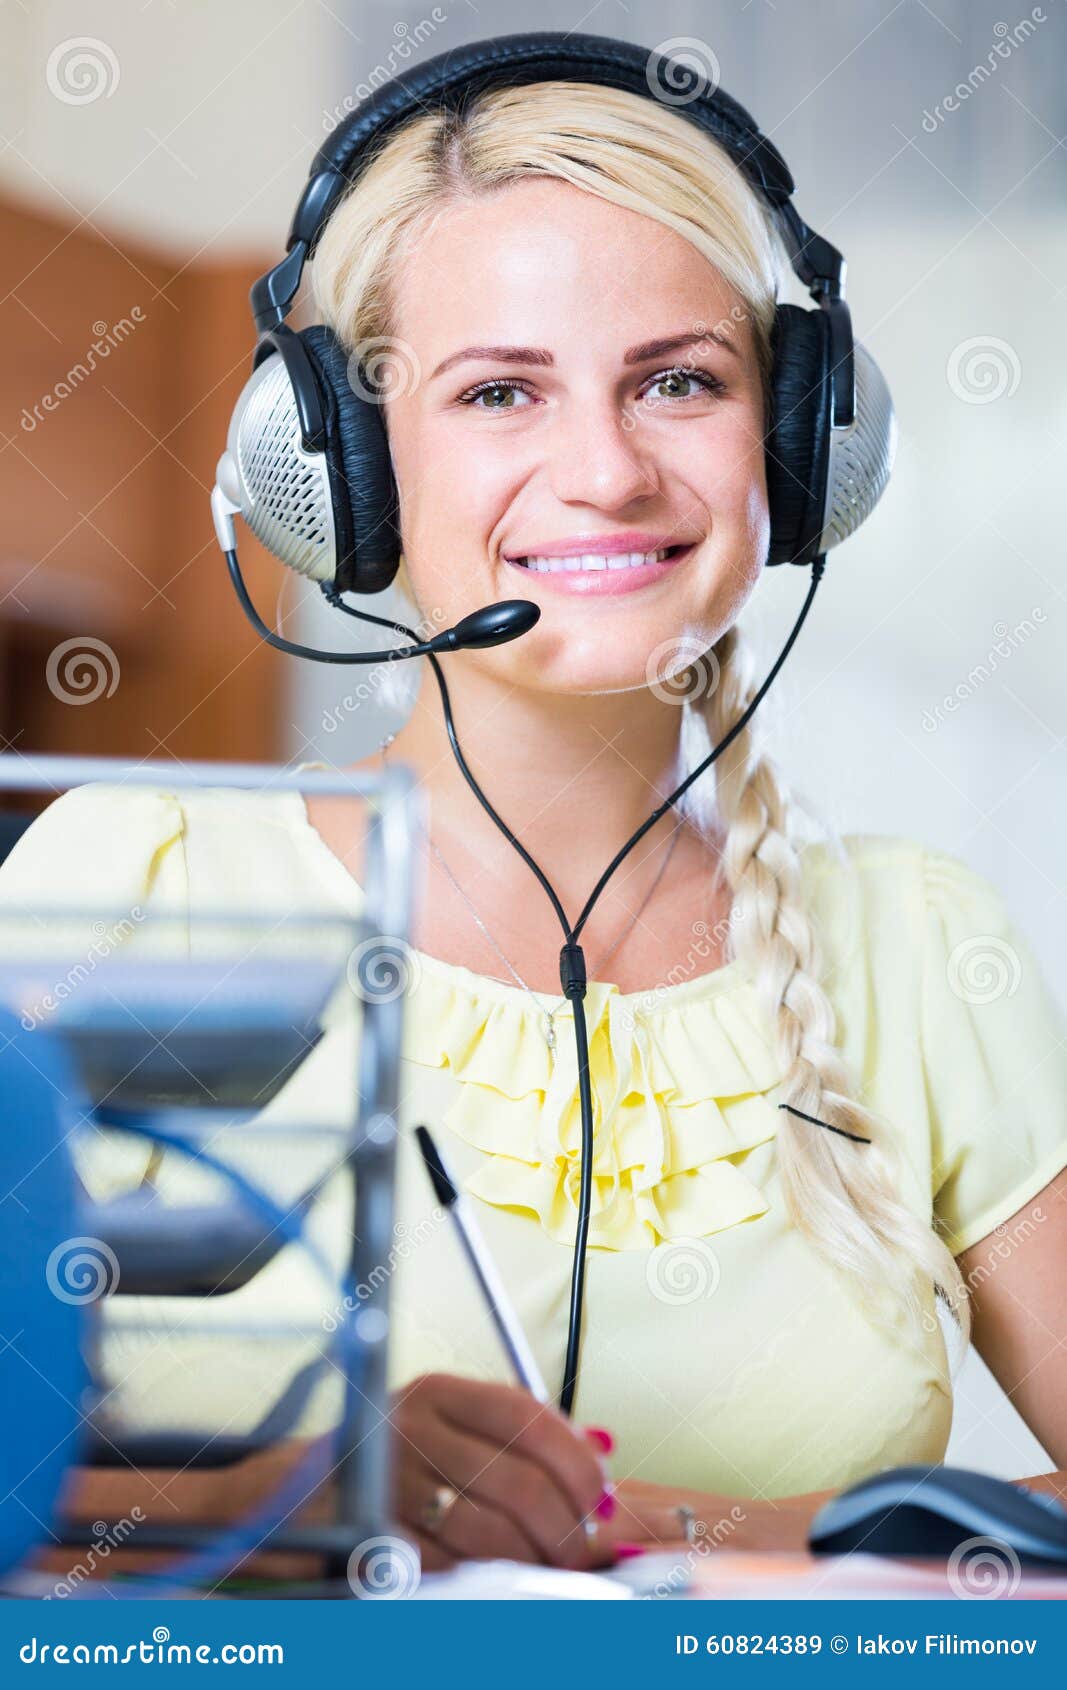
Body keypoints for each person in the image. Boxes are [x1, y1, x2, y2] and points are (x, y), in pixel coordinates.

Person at [3, 75, 1066, 1581]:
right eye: (499, 391)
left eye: (679, 381)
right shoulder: (139, 879)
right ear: (343, 466)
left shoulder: (920, 947)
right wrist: (299, 1498)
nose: (609, 472)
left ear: (798, 440)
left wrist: (687, 1530)